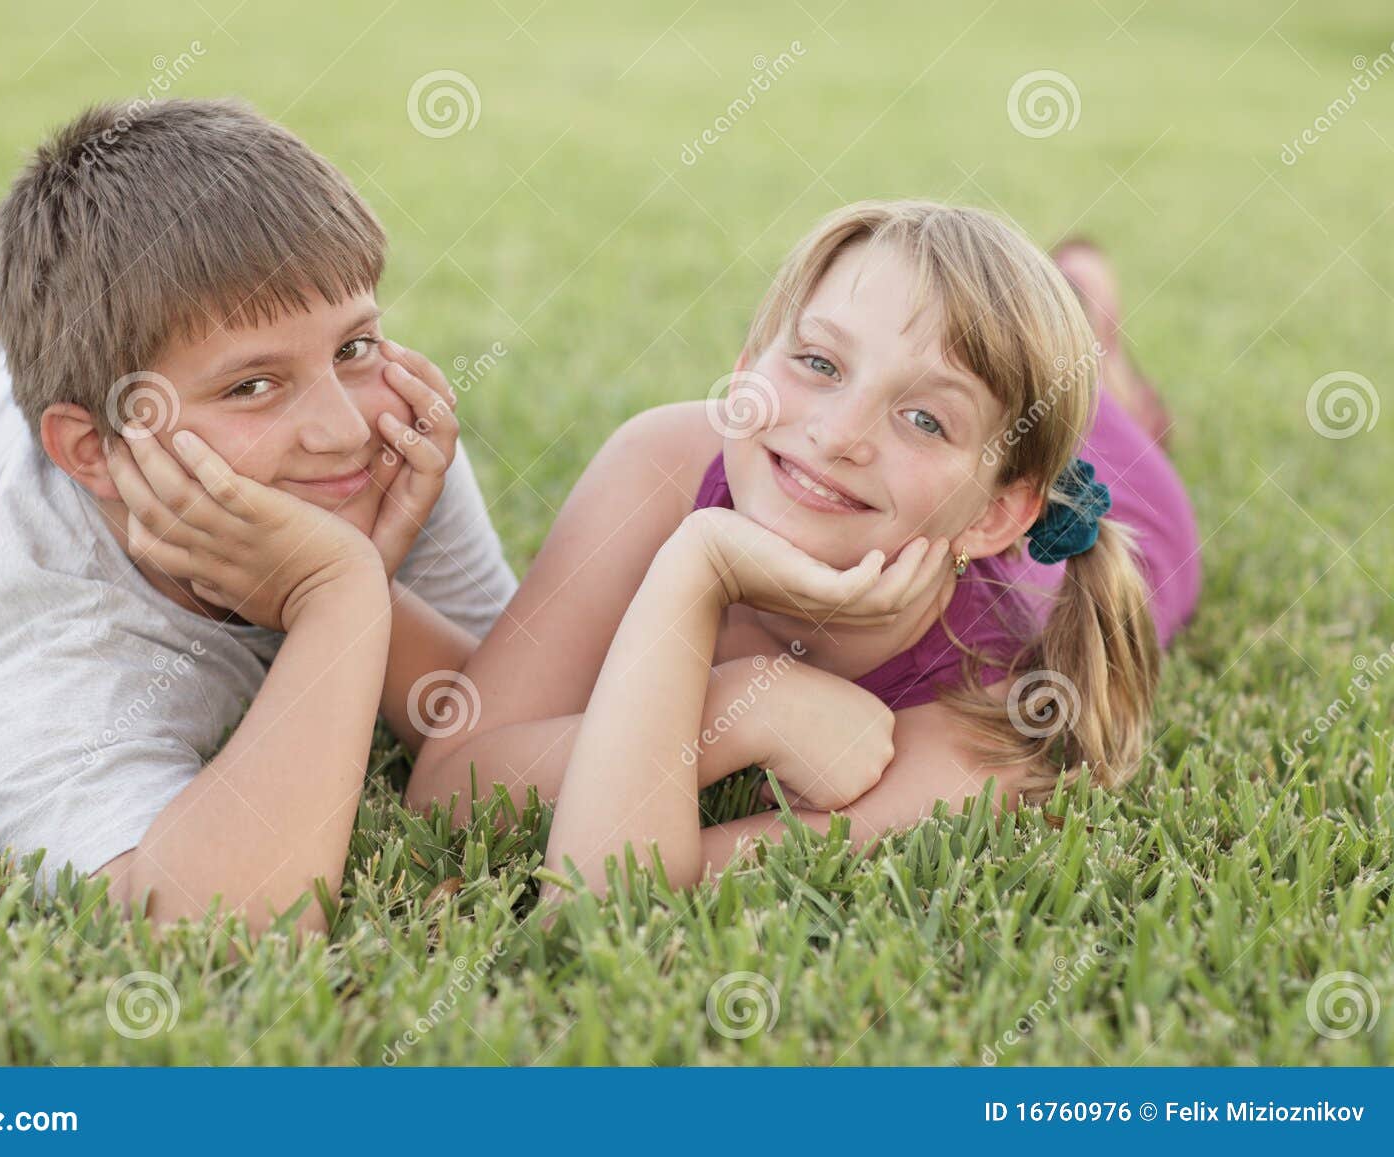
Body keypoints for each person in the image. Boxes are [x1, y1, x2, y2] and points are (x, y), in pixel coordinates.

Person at [0, 98, 517, 933]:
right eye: (252, 385)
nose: (343, 426)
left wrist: (368, 588)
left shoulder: (376, 444)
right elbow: (210, 929)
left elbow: (499, 726)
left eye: (352, 347)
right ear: (93, 451)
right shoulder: (45, 631)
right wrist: (338, 590)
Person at [399, 200, 1200, 895]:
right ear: (747, 370)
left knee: (1083, 380)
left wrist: (694, 618)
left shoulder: (980, 726)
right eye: (818, 362)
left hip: (1123, 486)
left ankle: (1094, 330)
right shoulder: (664, 462)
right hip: (1004, 437)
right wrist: (747, 695)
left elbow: (606, 900)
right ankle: (1067, 306)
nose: (835, 433)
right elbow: (449, 789)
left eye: (924, 418)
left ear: (994, 518)